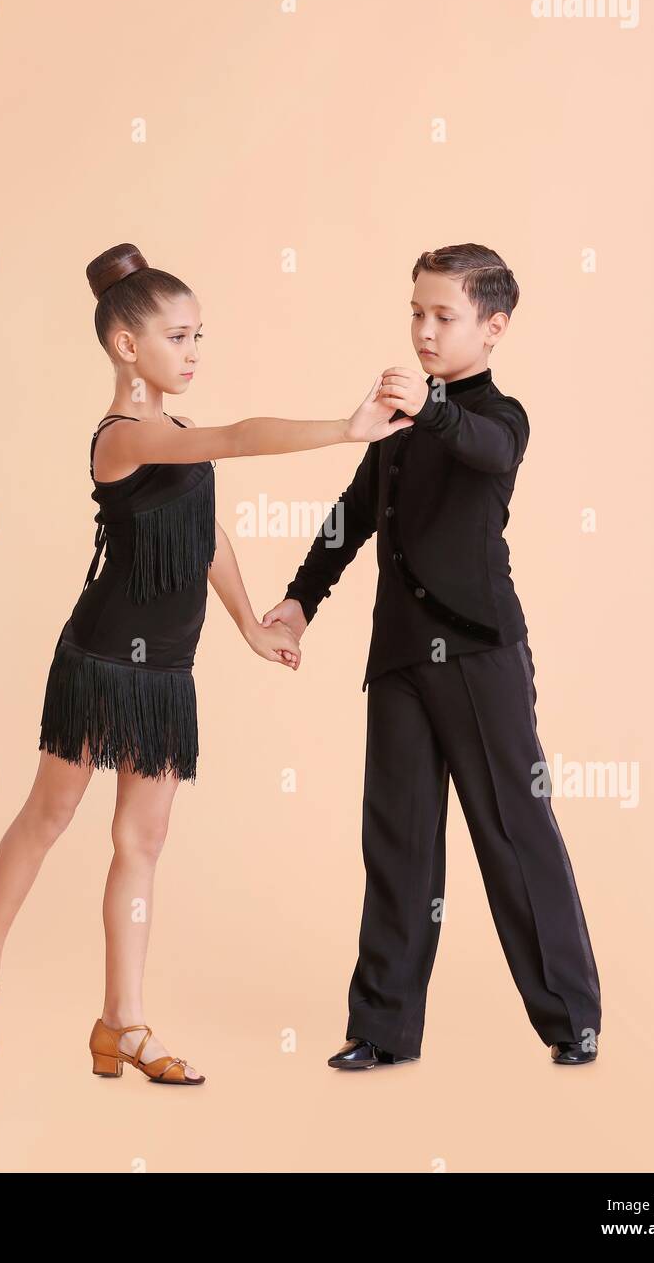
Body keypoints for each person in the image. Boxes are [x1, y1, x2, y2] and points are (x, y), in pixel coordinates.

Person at [0, 242, 411, 1085]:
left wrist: (247, 625)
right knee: (46, 818)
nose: (193, 355)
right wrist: (343, 430)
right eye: (179, 337)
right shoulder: (125, 437)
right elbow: (234, 439)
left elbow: (207, 535)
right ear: (128, 347)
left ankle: (123, 1023)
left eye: (200, 338)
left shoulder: (177, 435)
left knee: (141, 842)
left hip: (165, 671)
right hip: (98, 663)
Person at [264, 243, 602, 1069]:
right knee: (398, 841)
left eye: (442, 316)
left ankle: (571, 1019)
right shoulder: (399, 425)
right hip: (400, 659)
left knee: (513, 832)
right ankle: (381, 1029)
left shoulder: (499, 418)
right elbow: (353, 515)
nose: (422, 329)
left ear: (493, 328)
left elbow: (482, 449)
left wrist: (430, 407)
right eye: (415, 311)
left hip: (482, 655)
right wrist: (299, 601)